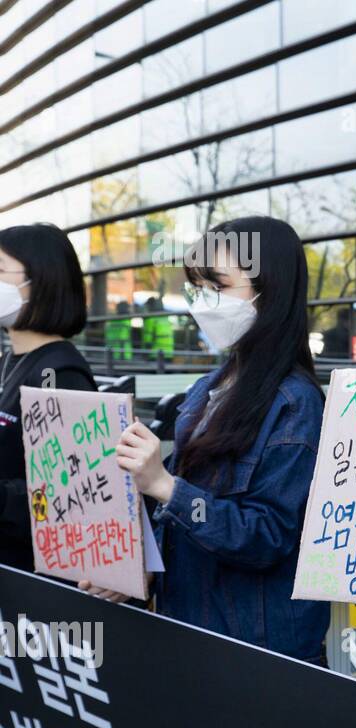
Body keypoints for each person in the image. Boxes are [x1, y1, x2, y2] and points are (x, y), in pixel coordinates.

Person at [100, 217, 330, 663]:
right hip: (191, 630)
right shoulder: (210, 386)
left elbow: (269, 536)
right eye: (199, 286)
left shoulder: (295, 402)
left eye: (219, 285)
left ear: (272, 290)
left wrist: (166, 486)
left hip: (257, 653)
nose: (205, 301)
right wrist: (140, 571)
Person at [0, 224, 97, 572]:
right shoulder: (11, 361)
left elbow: (71, 502)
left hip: (31, 589)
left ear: (41, 280)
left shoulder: (60, 375)